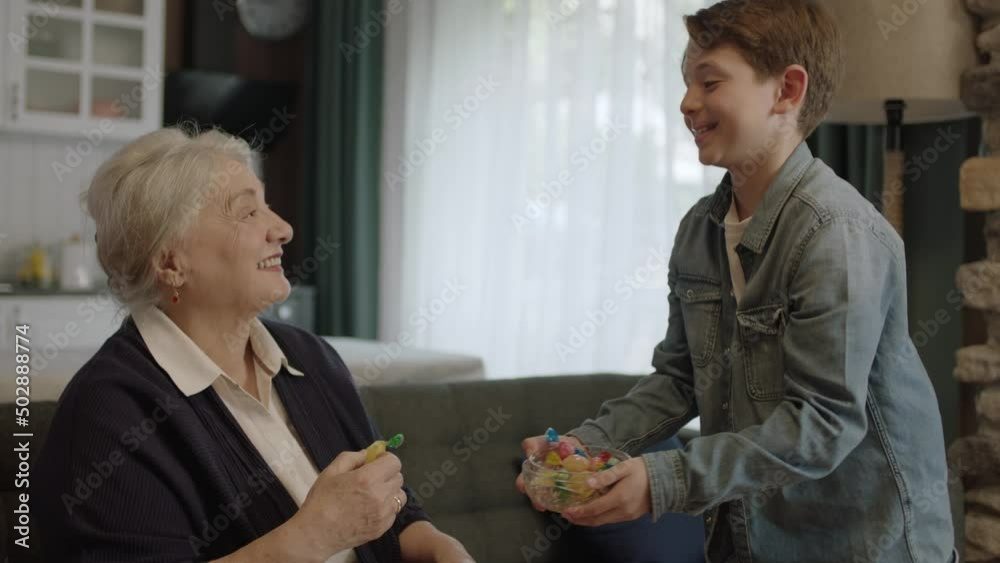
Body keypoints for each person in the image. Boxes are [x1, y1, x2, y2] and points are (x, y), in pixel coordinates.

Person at [517, 1, 956, 562]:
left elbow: (821, 424)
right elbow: (679, 378)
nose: (686, 102)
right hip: (748, 539)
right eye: (685, 82)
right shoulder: (700, 229)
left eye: (710, 81)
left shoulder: (836, 233)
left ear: (786, 91)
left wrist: (663, 479)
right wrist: (587, 443)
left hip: (862, 543)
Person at [35, 126, 474, 563]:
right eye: (248, 213)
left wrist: (437, 545)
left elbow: (391, 507)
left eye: (268, 208)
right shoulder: (108, 413)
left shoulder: (310, 358)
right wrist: (313, 535)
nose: (283, 229)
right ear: (170, 262)